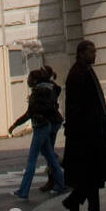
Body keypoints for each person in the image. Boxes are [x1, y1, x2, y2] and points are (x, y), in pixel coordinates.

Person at [61, 39, 106, 211]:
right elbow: (76, 108)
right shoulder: (77, 74)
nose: (95, 54)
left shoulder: (85, 71)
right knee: (91, 176)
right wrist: (87, 132)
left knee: (94, 177)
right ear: (82, 53)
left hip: (92, 134)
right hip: (86, 137)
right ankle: (76, 203)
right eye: (92, 51)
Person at [10, 68, 65, 200]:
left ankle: (23, 191)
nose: (27, 80)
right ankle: (61, 183)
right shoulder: (47, 88)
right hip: (46, 125)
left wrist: (15, 125)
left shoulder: (39, 92)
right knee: (50, 156)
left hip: (41, 127)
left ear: (34, 80)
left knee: (32, 159)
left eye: (29, 78)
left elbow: (30, 113)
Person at [39, 63, 63, 192]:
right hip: (52, 121)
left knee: (48, 151)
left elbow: (49, 104)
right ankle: (53, 178)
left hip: (52, 122)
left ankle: (55, 177)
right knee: (48, 151)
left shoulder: (48, 87)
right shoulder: (50, 86)